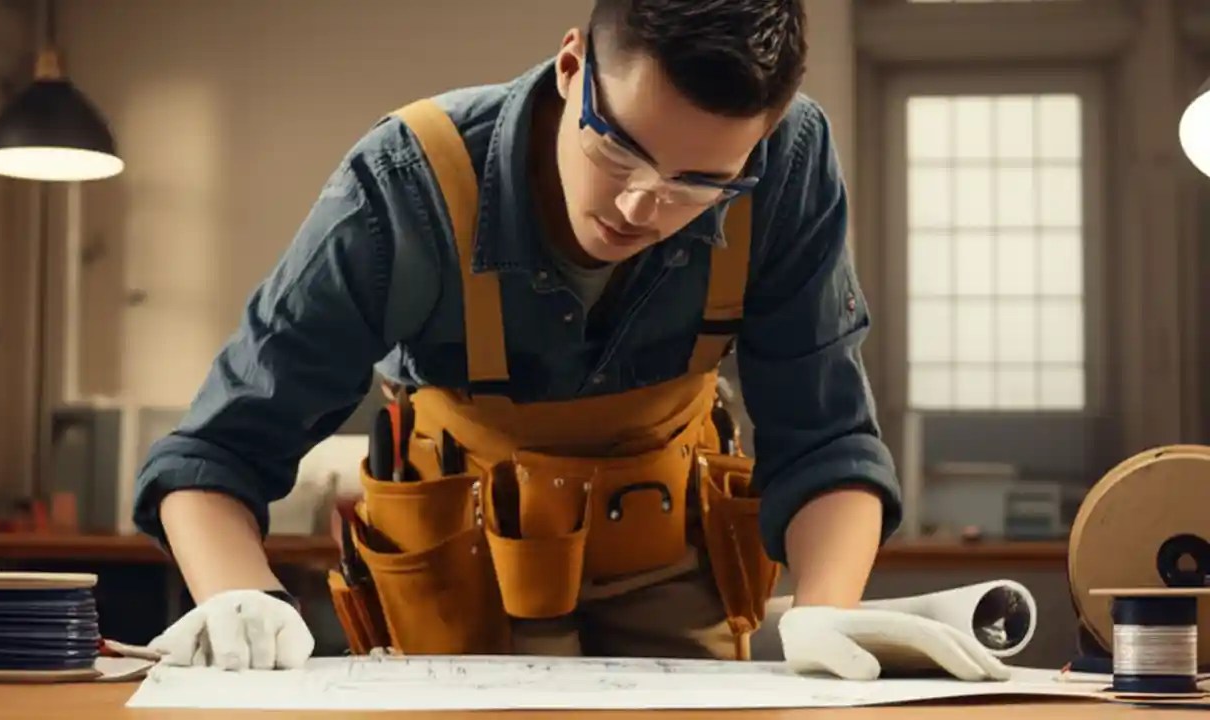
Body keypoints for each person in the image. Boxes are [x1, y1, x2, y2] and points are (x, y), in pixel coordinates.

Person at [136, 0, 1009, 683]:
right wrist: (237, 597)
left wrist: (824, 612)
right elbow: (216, 452)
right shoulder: (404, 189)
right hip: (457, 585)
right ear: (572, 65)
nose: (641, 208)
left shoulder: (785, 166)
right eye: (620, 153)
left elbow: (823, 437)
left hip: (674, 566)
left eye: (698, 186)